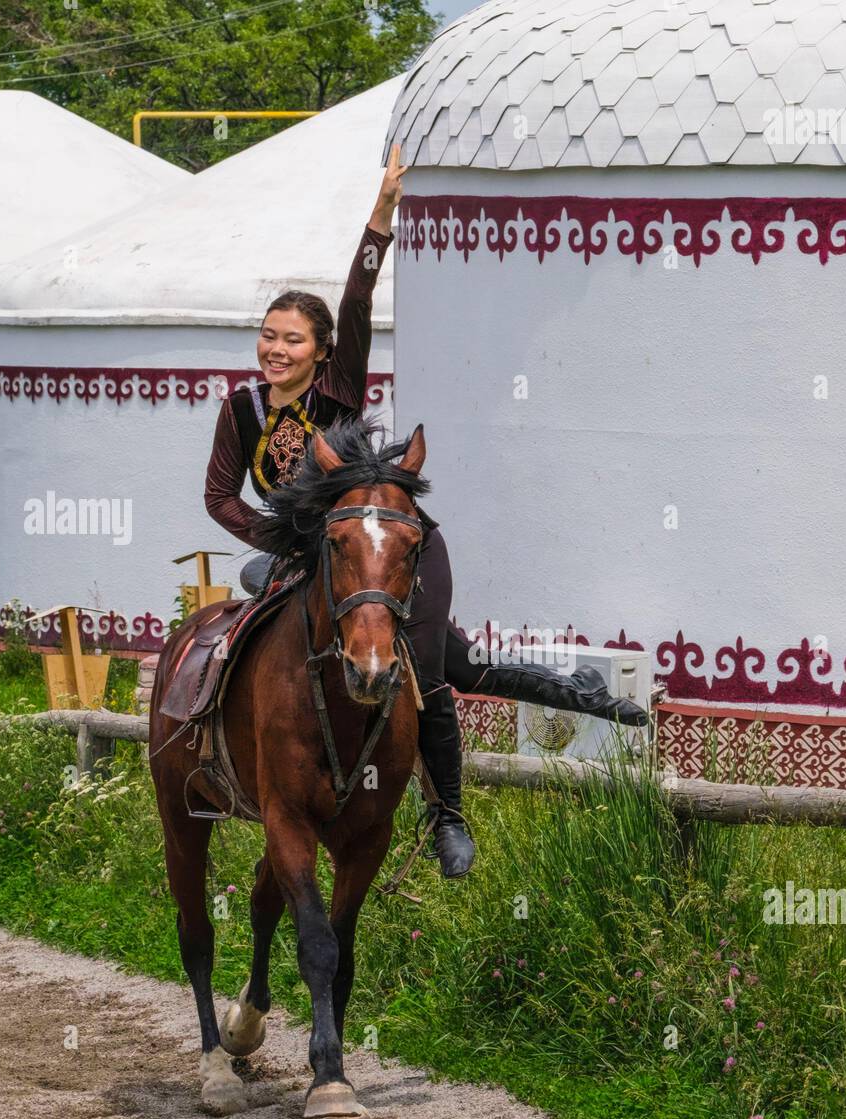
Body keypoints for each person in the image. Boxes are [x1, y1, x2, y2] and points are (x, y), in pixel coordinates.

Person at [203, 145, 647, 879]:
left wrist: (380, 222)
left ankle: (447, 817)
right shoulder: (242, 409)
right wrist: (280, 536)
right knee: (254, 616)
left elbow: (355, 303)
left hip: (399, 549)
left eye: (292, 339)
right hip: (317, 554)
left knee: (440, 671)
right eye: (269, 336)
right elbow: (219, 494)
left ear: (319, 352)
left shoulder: (337, 390)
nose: (275, 349)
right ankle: (220, 754)